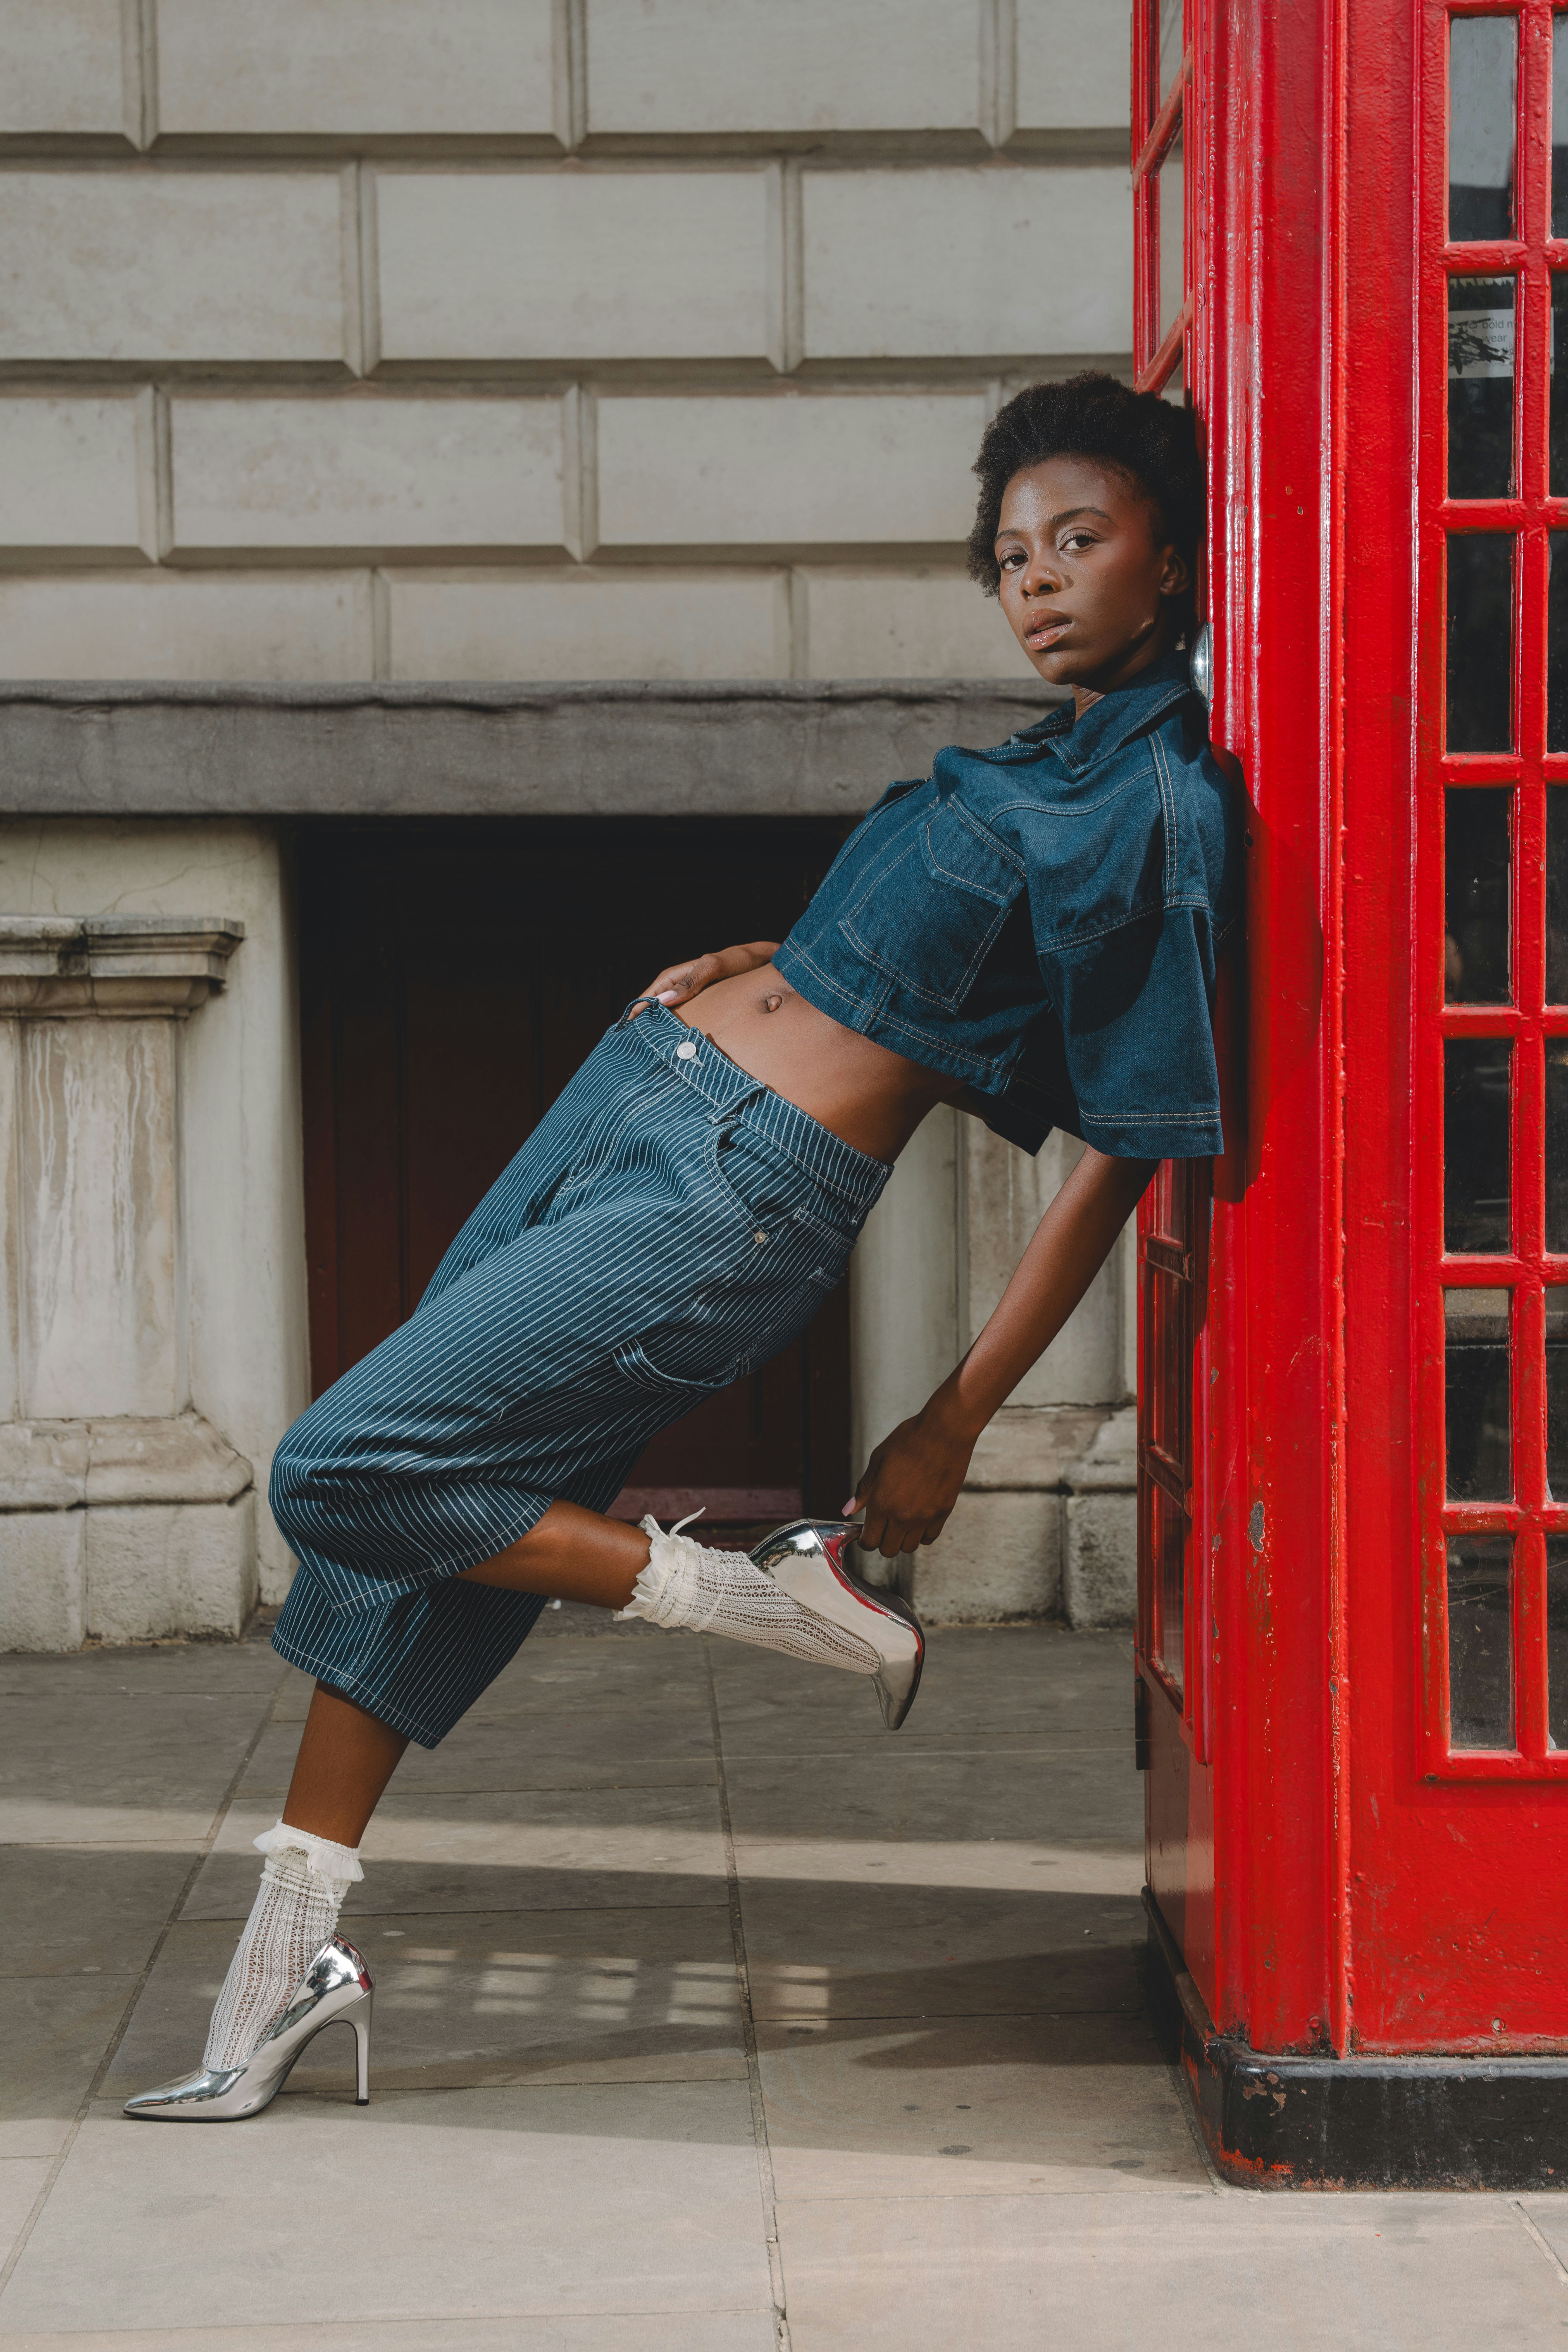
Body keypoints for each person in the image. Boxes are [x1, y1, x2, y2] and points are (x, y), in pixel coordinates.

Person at [125, 371, 1243, 2121]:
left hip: (734, 1193)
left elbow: (1130, 1151)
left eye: (1079, 542)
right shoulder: (1045, 759)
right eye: (1011, 552)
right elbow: (899, 955)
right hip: (639, 1090)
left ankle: (763, 1595)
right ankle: (284, 1970)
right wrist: (744, 955)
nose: (1034, 581)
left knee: (341, 1465)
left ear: (1173, 562)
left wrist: (953, 1420)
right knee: (390, 1553)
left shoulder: (1160, 810)